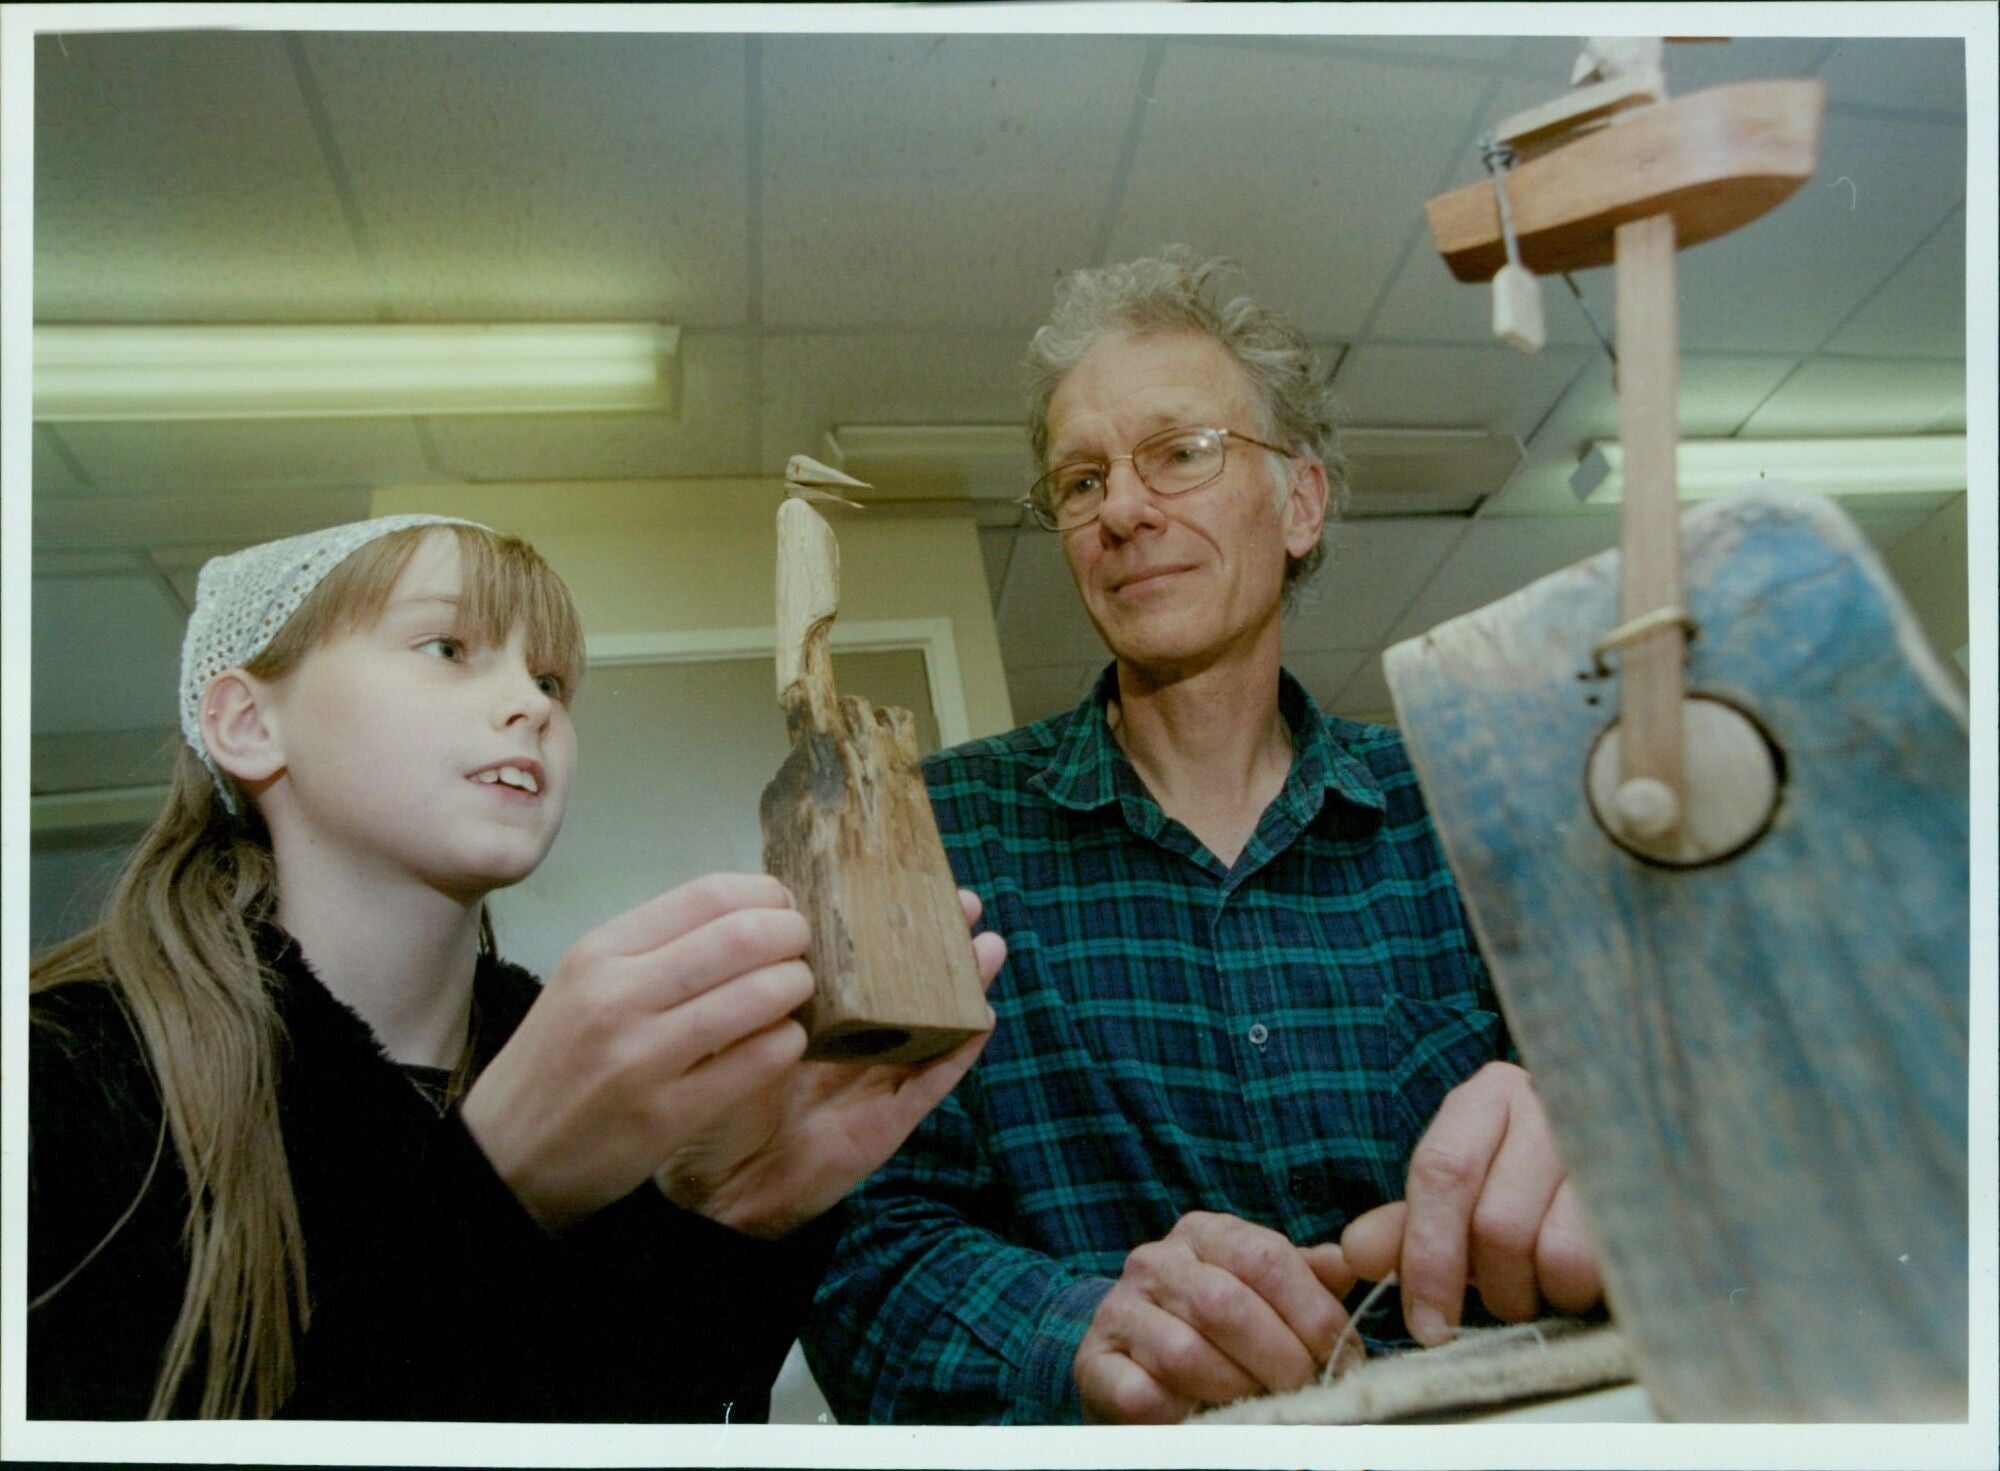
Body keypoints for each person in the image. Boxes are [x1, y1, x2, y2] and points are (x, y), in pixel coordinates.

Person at [801, 248, 1604, 1425]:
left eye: (1179, 453)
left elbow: (1669, 1149)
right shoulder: (923, 830)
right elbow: (862, 1258)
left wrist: (1596, 1153)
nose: (1120, 508)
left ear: (1300, 502)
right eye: (1079, 481)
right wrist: (1079, 1334)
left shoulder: (1469, 806)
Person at [27, 514, 1004, 1421]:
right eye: (447, 648)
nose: (527, 707)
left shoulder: (601, 1083)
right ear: (249, 723)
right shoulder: (59, 1081)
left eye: (550, 681)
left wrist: (732, 1224)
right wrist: (497, 1190)